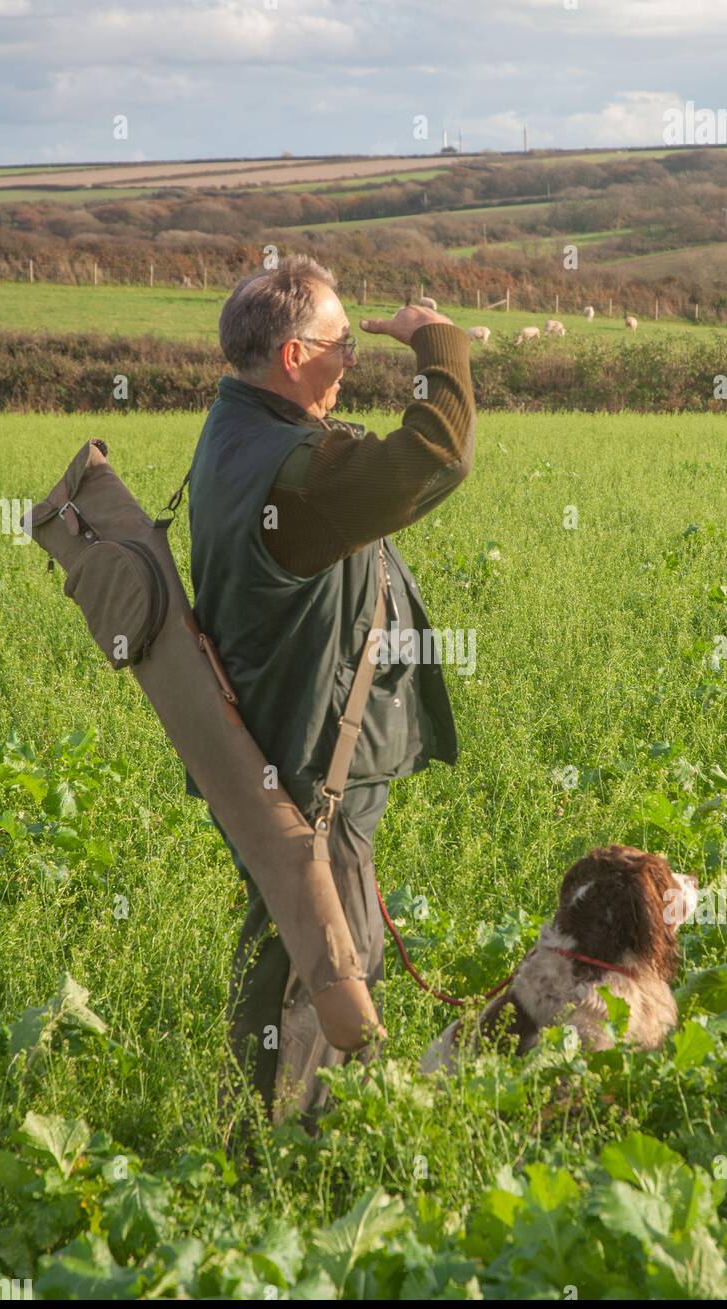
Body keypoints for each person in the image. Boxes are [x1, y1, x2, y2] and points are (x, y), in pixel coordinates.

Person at [184, 254, 476, 1136]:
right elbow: (437, 456)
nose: (352, 359)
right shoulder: (297, 471)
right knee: (328, 963)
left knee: (290, 942)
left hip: (269, 753)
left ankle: (261, 1132)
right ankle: (283, 1158)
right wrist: (435, 342)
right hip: (314, 763)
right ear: (290, 356)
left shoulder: (233, 431)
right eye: (342, 344)